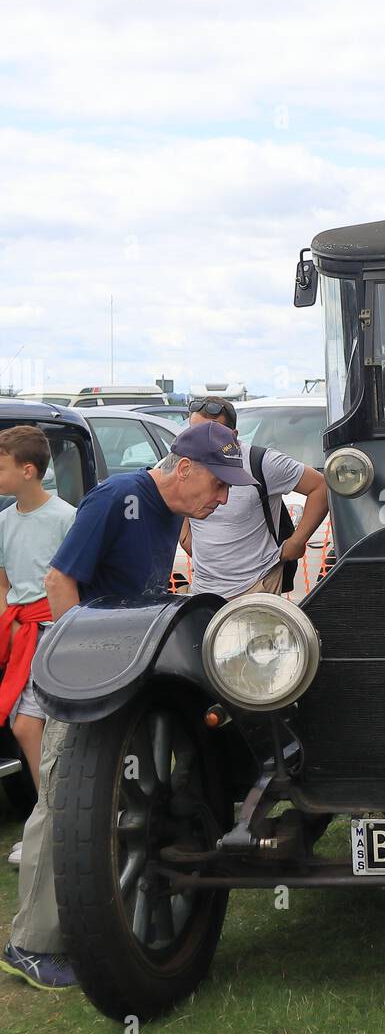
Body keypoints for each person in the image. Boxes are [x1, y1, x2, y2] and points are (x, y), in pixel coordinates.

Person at [0, 421, 255, 991]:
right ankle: (30, 946)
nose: (221, 499)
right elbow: (60, 579)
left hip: (124, 669)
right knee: (62, 804)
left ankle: (85, 922)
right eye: (217, 486)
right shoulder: (119, 497)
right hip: (84, 671)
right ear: (184, 469)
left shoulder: (170, 511)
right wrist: (81, 662)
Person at [0, 427, 75, 869]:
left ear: (28, 471)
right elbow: (5, 581)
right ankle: (50, 820)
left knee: (37, 727)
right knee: (28, 727)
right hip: (19, 633)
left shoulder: (65, 517)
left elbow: (70, 580)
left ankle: (54, 823)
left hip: (54, 633)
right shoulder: (4, 521)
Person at [180, 399, 329, 600]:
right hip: (202, 591)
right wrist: (185, 538)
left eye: (211, 435)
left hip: (257, 589)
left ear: (233, 436)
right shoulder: (185, 464)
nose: (200, 443)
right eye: (193, 434)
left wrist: (297, 541)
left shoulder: (262, 462)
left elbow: (321, 486)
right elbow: (170, 496)